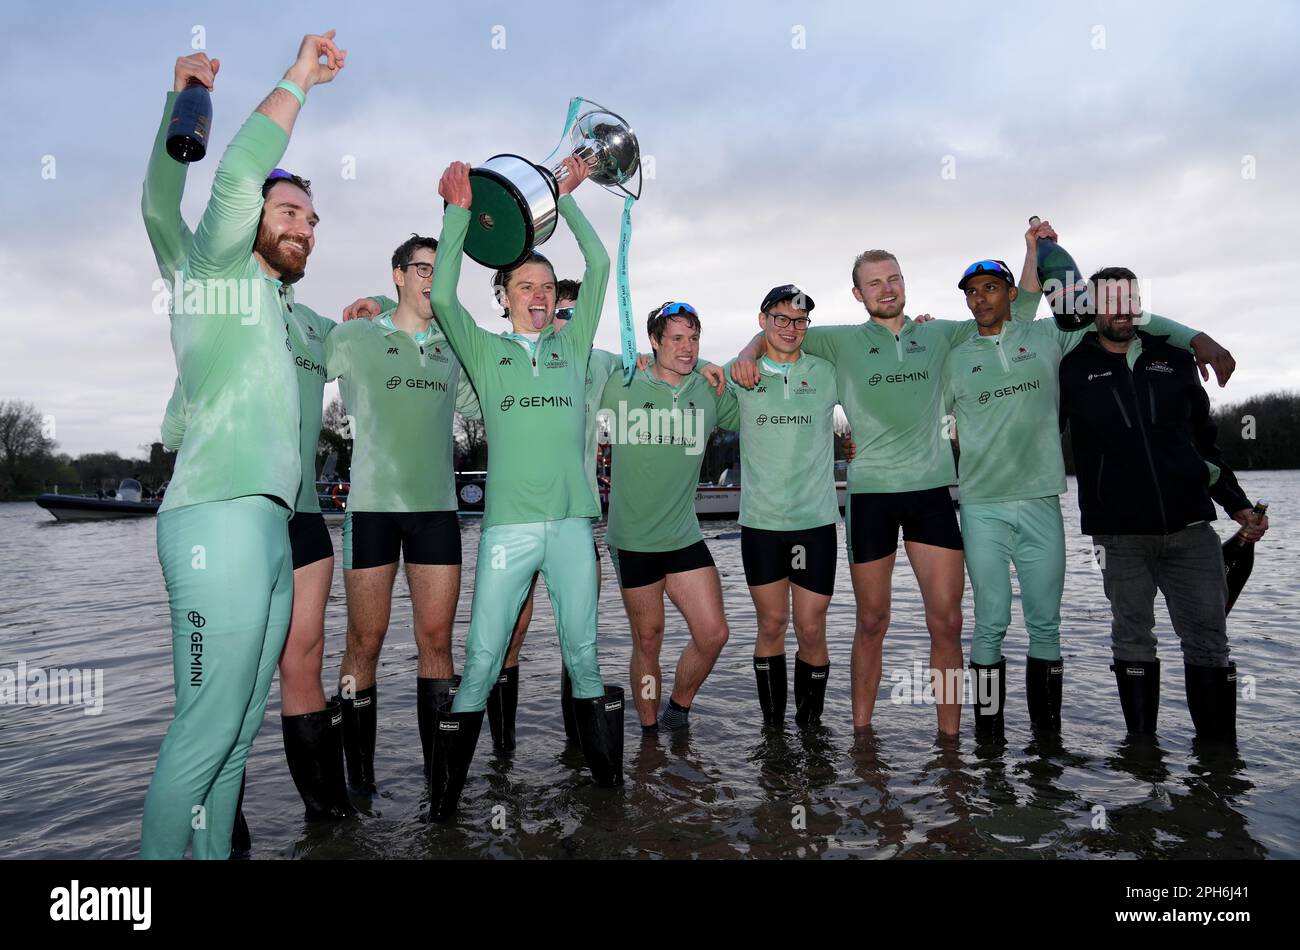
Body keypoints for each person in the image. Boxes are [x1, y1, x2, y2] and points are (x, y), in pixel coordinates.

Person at [140, 30, 347, 860]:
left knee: (231, 746)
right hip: (214, 521)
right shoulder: (214, 270)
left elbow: (163, 204)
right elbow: (198, 189)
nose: (305, 226)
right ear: (250, 219)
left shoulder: (271, 304)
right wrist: (300, 76)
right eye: (290, 210)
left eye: (312, 218)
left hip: (266, 528)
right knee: (204, 735)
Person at [943, 223, 1223, 742]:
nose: (980, 299)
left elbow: (1122, 317)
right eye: (971, 292)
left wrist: (1195, 338)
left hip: (1043, 500)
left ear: (1012, 294)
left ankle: (1048, 747)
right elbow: (923, 429)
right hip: (981, 506)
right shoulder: (954, 359)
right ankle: (988, 746)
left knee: (1046, 626)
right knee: (989, 625)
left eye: (990, 288)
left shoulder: (1050, 337)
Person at [425, 159, 621, 819]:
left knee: (586, 659)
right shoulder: (485, 353)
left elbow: (601, 268)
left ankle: (608, 804)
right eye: (524, 285)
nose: (538, 295)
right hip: (507, 530)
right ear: (504, 295)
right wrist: (456, 215)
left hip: (571, 527)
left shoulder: (574, 346)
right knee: (480, 664)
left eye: (545, 285)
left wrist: (568, 199)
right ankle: (445, 812)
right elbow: (444, 298)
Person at [1059, 267, 1266, 742]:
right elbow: (1038, 431)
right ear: (1092, 307)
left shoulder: (1173, 359)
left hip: (1191, 526)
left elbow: (1203, 445)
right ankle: (1142, 754)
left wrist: (1236, 507)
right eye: (1109, 301)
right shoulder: (1071, 367)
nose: (1121, 310)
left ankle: (1218, 760)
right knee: (1133, 639)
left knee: (1209, 641)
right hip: (1118, 532)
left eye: (1128, 299)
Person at [321, 235, 481, 795]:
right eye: (421, 269)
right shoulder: (357, 336)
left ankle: (438, 783)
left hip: (437, 512)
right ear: (397, 274)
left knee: (436, 640)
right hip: (372, 512)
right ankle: (359, 781)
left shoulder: (453, 348)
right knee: (364, 640)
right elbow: (295, 358)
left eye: (441, 272)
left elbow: (498, 393)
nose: (431, 280)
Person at [599, 302, 741, 732]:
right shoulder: (621, 385)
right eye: (676, 338)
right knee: (648, 639)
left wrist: (722, 365)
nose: (687, 347)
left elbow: (759, 407)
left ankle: (678, 709)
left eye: (694, 338)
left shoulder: (709, 391)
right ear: (655, 342)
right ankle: (646, 734)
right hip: (634, 539)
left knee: (713, 633)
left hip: (683, 536)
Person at [719, 285, 841, 728]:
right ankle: (773, 732)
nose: (790, 328)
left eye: (800, 320)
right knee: (771, 626)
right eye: (781, 319)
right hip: (762, 524)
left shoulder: (826, 372)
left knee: (810, 629)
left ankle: (810, 729)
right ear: (763, 320)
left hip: (815, 523)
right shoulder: (742, 376)